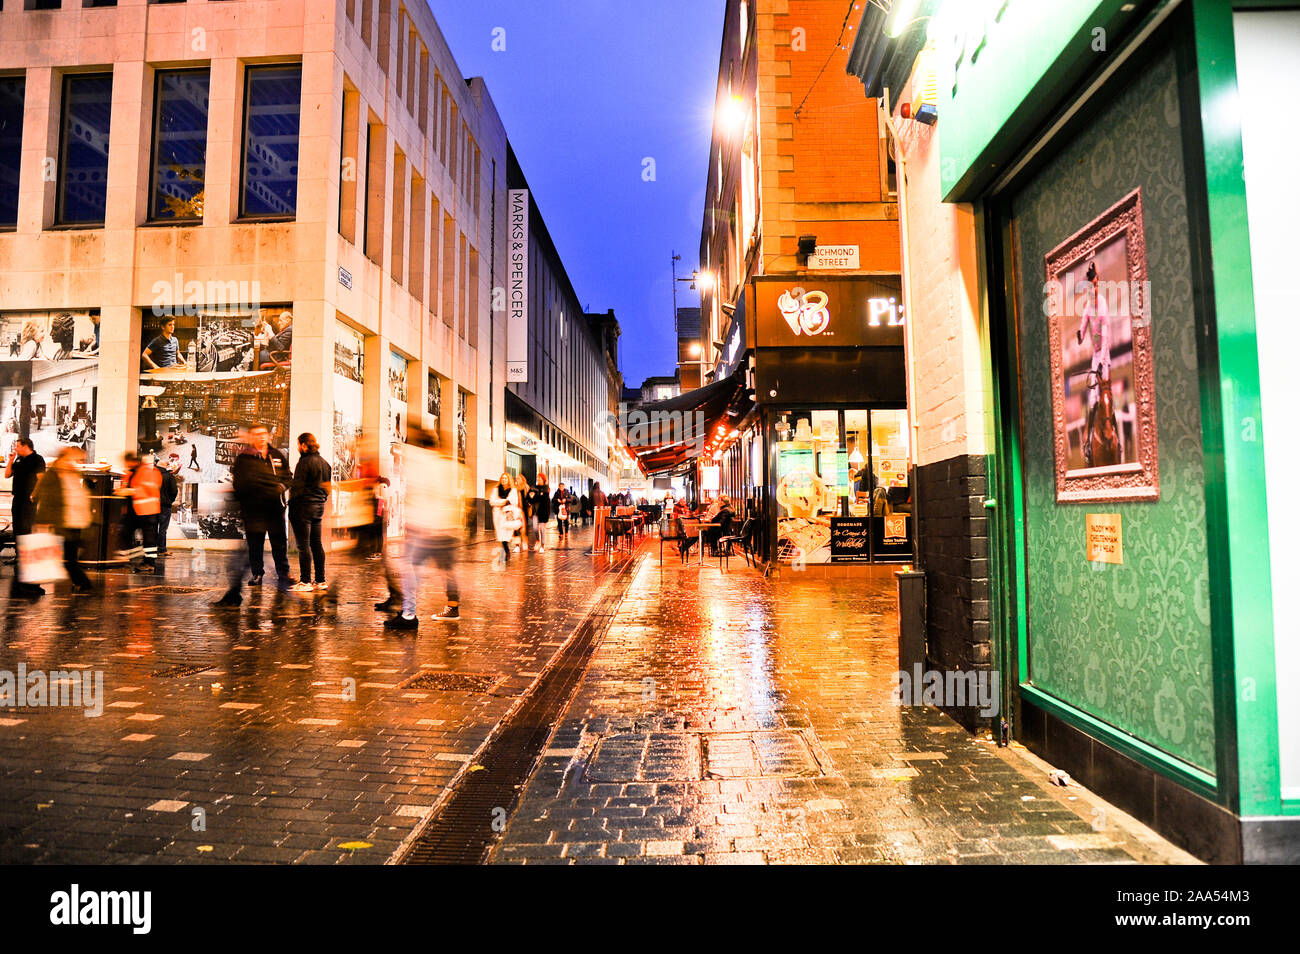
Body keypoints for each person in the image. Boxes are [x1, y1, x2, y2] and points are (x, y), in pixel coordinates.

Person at [385, 427, 461, 631]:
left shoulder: (423, 463)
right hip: (441, 527)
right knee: (420, 570)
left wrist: (415, 521)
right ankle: (409, 609)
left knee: (409, 568)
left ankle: (409, 614)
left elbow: (422, 494)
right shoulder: (443, 464)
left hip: (424, 526)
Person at [232, 423, 293, 589]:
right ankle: (257, 574)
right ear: (252, 437)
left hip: (275, 509)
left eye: (263, 433)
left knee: (279, 543)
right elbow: (238, 484)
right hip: (253, 511)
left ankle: (283, 573)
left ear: (268, 436)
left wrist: (281, 487)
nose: (261, 437)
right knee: (255, 544)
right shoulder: (244, 459)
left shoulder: (276, 455)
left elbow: (288, 477)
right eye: (257, 434)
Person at [32, 445, 94, 592]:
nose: (77, 463)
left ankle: (83, 582)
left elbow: (80, 499)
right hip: (58, 523)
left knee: (67, 558)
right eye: (75, 459)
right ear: (63, 459)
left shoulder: (72, 475)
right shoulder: (53, 475)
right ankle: (31, 585)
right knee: (50, 556)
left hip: (72, 523)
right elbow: (45, 498)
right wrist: (43, 522)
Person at [287, 432, 331, 594]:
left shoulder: (304, 462)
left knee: (303, 546)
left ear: (304, 445)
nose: (298, 447)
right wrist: (320, 500)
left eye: (299, 444)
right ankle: (320, 580)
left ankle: (305, 581)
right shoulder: (325, 463)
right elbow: (328, 489)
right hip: (318, 508)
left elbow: (297, 488)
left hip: (303, 508)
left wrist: (291, 505)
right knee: (316, 544)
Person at [6, 438, 46, 597]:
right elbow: (8, 474)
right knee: (18, 528)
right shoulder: (19, 459)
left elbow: (41, 479)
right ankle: (19, 554)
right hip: (17, 499)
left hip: (29, 501)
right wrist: (10, 461)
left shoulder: (37, 459)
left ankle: (27, 556)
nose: (15, 448)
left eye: (17, 446)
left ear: (25, 446)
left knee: (26, 528)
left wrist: (34, 495)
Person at [115, 451, 161, 572]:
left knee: (149, 539)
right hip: (134, 511)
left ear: (132, 461)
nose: (125, 465)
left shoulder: (148, 471)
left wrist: (131, 491)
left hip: (147, 511)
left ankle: (149, 563)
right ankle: (127, 559)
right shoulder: (130, 473)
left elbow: (150, 488)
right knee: (125, 533)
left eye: (126, 463)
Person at [489, 472, 521, 567]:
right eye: (502, 478)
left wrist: (499, 502)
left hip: (507, 514)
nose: (504, 480)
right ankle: (505, 552)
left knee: (506, 534)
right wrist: (504, 501)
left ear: (509, 479)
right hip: (497, 515)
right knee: (500, 535)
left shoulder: (513, 490)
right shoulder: (496, 489)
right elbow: (492, 501)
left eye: (506, 478)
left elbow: (513, 501)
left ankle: (506, 552)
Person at [156, 457, 179, 558]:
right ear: (165, 466)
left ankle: (151, 550)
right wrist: (170, 501)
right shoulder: (169, 476)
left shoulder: (152, 476)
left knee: (152, 528)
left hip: (153, 505)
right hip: (165, 506)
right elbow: (174, 491)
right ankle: (161, 549)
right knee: (163, 528)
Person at [527, 472, 551, 553]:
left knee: (542, 529)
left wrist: (535, 496)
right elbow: (529, 498)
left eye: (539, 478)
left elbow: (544, 500)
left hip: (543, 512)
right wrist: (535, 496)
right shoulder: (534, 488)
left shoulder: (546, 489)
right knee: (534, 528)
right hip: (535, 512)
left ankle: (543, 545)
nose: (538, 480)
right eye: (537, 478)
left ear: (543, 480)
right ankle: (537, 540)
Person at [512, 473, 532, 552]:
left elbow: (530, 498)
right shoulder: (514, 488)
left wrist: (529, 503)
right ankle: (517, 545)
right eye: (516, 478)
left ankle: (524, 542)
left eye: (518, 478)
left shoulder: (526, 487)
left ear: (523, 480)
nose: (517, 479)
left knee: (524, 527)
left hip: (525, 510)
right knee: (515, 528)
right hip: (516, 510)